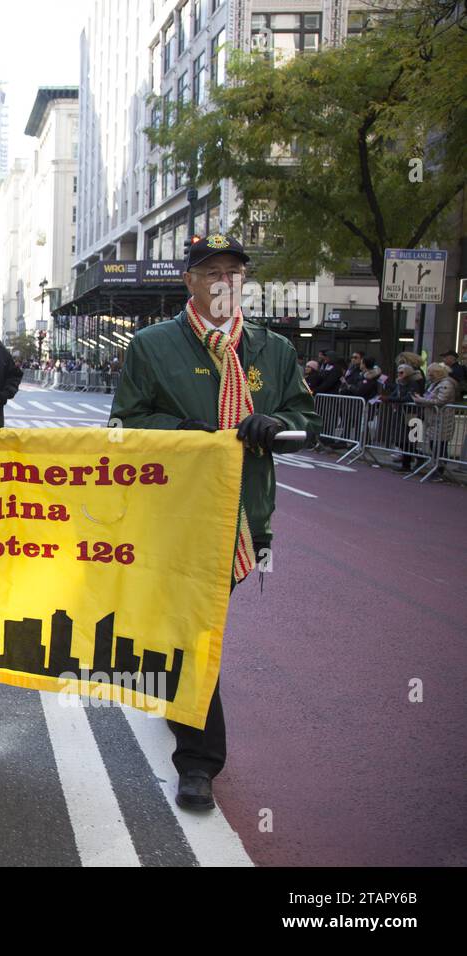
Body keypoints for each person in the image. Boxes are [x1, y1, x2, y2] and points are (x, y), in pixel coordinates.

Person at [109, 234, 320, 812]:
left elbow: (309, 420)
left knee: (190, 631)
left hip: (243, 520)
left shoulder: (272, 350)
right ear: (190, 282)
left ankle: (183, 708)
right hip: (173, 517)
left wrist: (274, 422)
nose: (223, 281)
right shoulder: (152, 347)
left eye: (232, 272)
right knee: (193, 631)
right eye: (210, 272)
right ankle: (199, 763)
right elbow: (123, 425)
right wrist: (185, 433)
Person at [412, 362, 461, 480]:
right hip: (434, 418)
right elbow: (430, 397)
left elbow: (440, 401)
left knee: (439, 445)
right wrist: (422, 399)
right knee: (434, 444)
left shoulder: (446, 384)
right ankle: (436, 467)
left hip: (443, 418)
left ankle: (439, 470)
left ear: (438, 373)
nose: (428, 375)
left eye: (431, 373)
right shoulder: (434, 384)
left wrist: (422, 400)